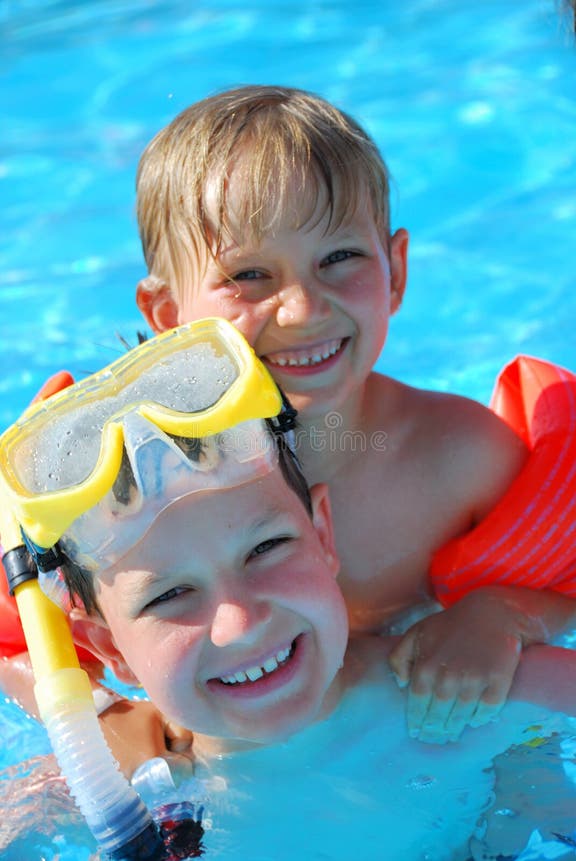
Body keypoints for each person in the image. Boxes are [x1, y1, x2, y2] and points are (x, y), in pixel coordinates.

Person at [2, 321, 576, 861]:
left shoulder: (484, 696)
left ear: (323, 535)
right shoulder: (106, 780)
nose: (241, 622)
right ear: (110, 650)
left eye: (264, 549)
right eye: (169, 596)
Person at [132, 85, 576, 744]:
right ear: (168, 317)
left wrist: (499, 613)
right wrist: (124, 718)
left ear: (395, 273)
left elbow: (565, 584)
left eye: (340, 258)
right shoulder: (137, 487)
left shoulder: (459, 459)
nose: (304, 309)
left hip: (426, 721)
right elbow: (31, 642)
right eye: (250, 275)